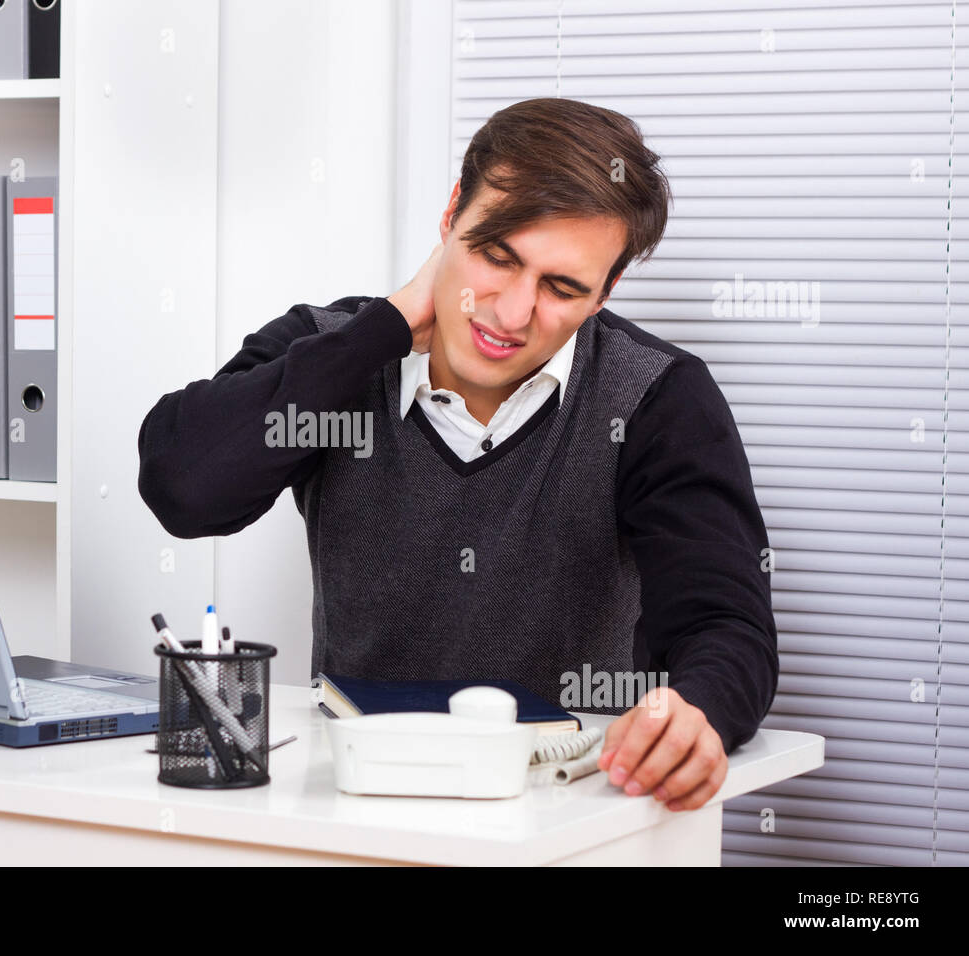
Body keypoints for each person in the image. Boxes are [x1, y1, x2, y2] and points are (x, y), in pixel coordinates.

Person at [138, 97, 777, 812]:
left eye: (562, 287)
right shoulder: (332, 352)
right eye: (496, 256)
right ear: (450, 216)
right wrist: (381, 329)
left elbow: (726, 626)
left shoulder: (657, 397)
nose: (510, 314)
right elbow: (182, 486)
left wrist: (697, 713)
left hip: (558, 813)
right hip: (353, 802)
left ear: (607, 291)